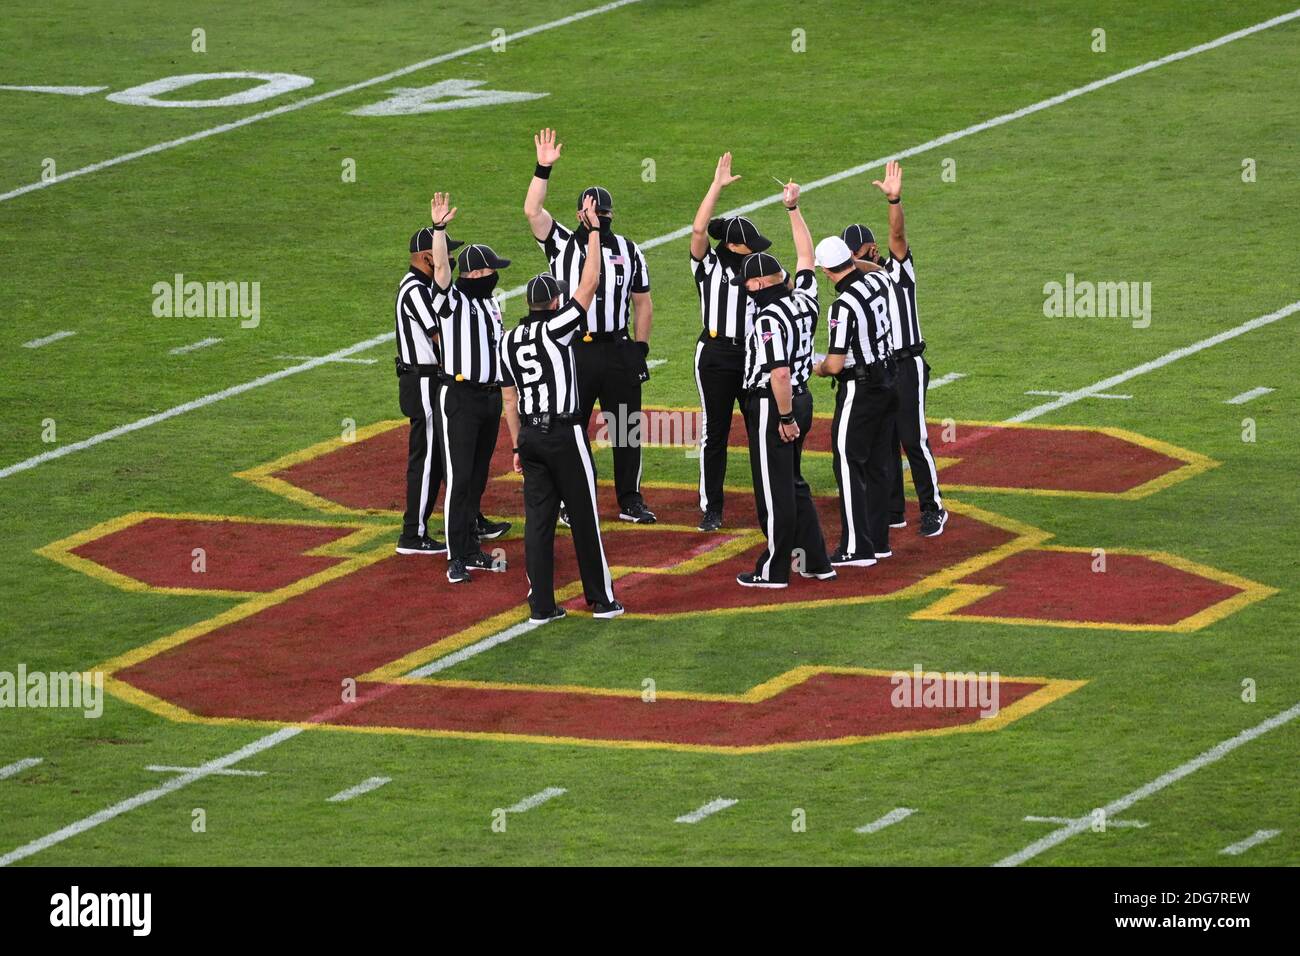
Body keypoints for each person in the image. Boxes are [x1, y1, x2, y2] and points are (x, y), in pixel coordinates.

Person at [499, 196, 623, 622]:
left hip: (530, 436)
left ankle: (541, 606)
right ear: (554, 303)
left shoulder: (508, 341)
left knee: (538, 523)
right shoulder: (558, 327)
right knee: (584, 515)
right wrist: (592, 233)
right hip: (565, 434)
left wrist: (517, 444)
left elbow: (509, 397)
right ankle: (601, 600)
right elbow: (589, 284)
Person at [524, 128, 657, 524]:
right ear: (580, 214)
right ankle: (569, 499)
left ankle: (630, 498)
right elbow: (533, 211)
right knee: (571, 426)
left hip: (616, 347)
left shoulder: (629, 250)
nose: (598, 219)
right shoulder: (562, 243)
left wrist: (641, 347)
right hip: (572, 350)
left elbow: (643, 302)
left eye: (603, 214)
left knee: (627, 427)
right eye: (592, 213)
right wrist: (543, 168)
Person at [733, 185, 833, 588]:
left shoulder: (767, 319)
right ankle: (817, 560)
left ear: (756, 287)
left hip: (775, 405)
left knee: (774, 491)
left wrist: (784, 416)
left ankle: (774, 569)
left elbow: (777, 373)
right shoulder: (805, 300)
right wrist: (793, 208)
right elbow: (806, 256)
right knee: (794, 482)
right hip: (803, 399)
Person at [841, 160, 947, 537]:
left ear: (868, 250)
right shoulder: (856, 285)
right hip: (880, 368)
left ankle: (933, 506)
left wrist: (894, 200)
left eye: (854, 256)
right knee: (882, 441)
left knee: (911, 437)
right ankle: (892, 508)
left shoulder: (899, 270)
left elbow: (898, 237)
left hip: (908, 363)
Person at [428, 193, 512, 584]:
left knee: (477, 477)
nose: (495, 274)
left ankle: (471, 546)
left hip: (489, 396)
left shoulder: (492, 304)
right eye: (490, 270)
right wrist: (440, 230)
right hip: (459, 396)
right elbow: (442, 269)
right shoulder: (453, 299)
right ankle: (454, 556)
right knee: (460, 478)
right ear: (476, 274)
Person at [689, 152, 772, 532]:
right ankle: (712, 505)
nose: (758, 249)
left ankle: (769, 499)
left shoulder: (760, 268)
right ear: (735, 246)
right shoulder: (709, 264)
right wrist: (716, 186)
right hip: (717, 352)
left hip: (753, 354)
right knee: (715, 431)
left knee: (760, 428)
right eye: (750, 244)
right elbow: (698, 231)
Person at [812, 234, 900, 566]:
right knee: (879, 465)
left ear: (824, 270)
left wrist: (817, 367)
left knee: (848, 463)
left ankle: (856, 547)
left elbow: (835, 364)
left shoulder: (843, 305)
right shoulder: (879, 282)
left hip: (859, 390)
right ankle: (879, 541)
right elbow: (866, 270)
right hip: (889, 381)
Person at [393, 222, 462, 555]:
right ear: (426, 256)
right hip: (421, 379)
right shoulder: (415, 290)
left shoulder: (420, 286)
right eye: (443, 253)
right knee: (426, 457)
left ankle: (467, 518)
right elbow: (439, 334)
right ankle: (412, 534)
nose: (448, 258)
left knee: (440, 454)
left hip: (425, 378)